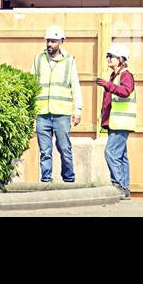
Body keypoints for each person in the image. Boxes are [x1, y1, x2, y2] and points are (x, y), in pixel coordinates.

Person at [32, 25, 82, 183]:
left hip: (61, 113)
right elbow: (31, 83)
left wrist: (78, 109)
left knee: (64, 148)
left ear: (61, 42)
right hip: (42, 113)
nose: (49, 44)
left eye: (53, 41)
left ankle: (69, 179)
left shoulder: (69, 61)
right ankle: (46, 180)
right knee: (45, 151)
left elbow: (75, 85)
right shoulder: (39, 59)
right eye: (48, 41)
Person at [96, 43, 137, 199]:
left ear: (120, 59)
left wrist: (109, 85)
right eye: (107, 55)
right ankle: (125, 189)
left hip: (121, 122)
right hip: (116, 122)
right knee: (121, 156)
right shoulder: (115, 76)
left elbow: (126, 91)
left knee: (111, 153)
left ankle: (118, 186)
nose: (108, 58)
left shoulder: (126, 75)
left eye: (111, 56)